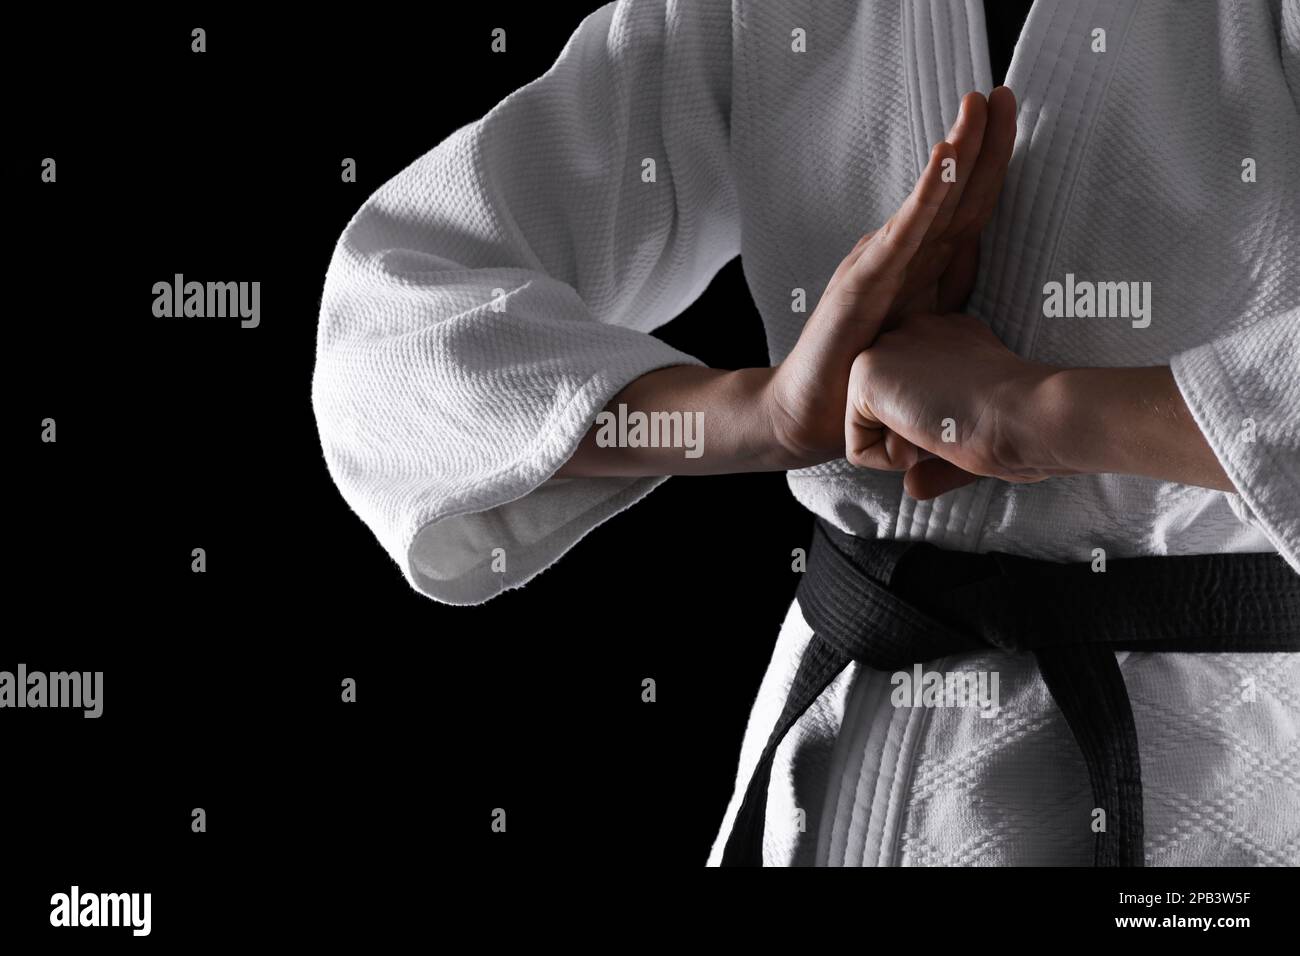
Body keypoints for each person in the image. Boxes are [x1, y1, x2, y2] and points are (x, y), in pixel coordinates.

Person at [311, 0, 1300, 865]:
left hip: (1198, 780)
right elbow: (392, 324)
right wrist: (766, 412)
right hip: (831, 768)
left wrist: (1040, 412)